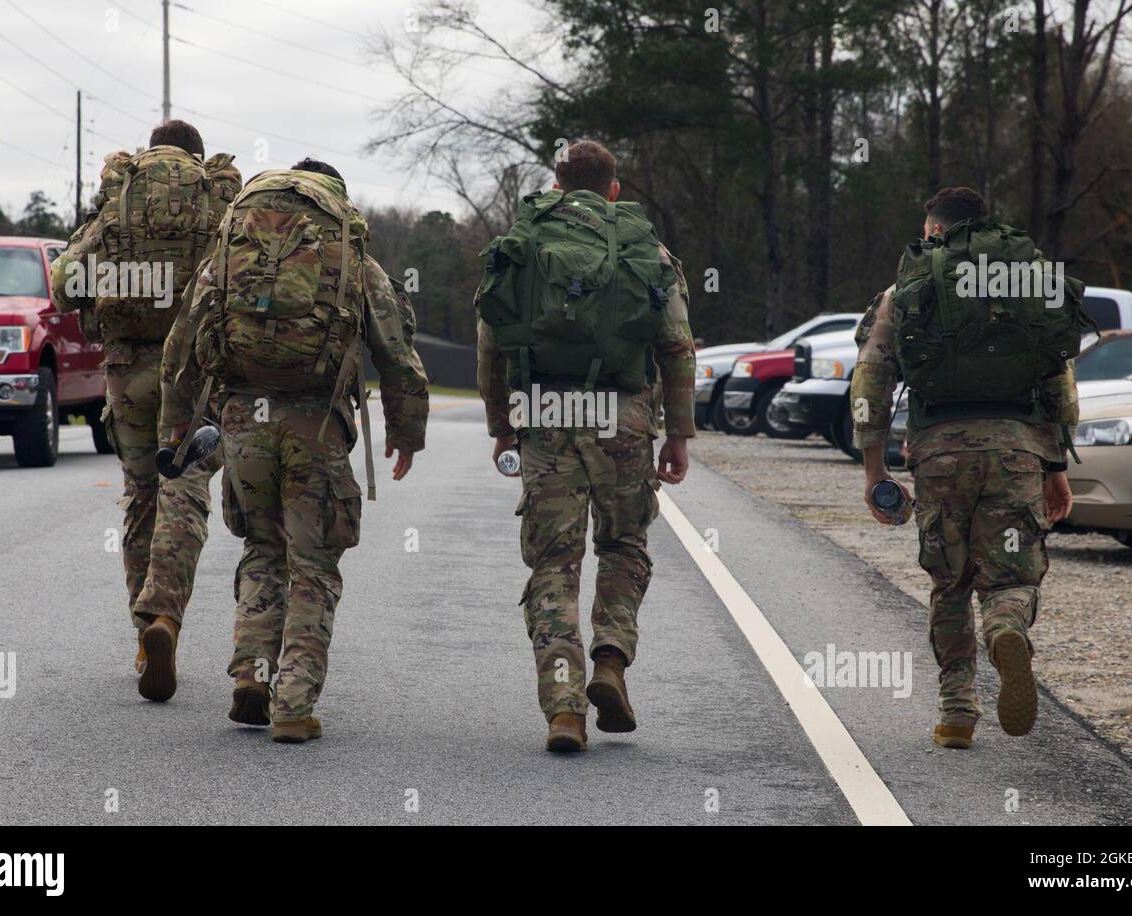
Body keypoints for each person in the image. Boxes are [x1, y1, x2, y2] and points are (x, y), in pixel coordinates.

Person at [161, 157, 429, 743]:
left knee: (262, 548)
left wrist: (176, 426)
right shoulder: (351, 257)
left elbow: (181, 345)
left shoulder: (233, 250)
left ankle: (251, 678)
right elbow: (398, 359)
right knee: (312, 563)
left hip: (241, 421)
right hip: (315, 423)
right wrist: (406, 433)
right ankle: (294, 703)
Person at [475, 140, 696, 752]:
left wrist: (502, 425)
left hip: (544, 415)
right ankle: (610, 660)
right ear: (614, 188)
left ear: (556, 183)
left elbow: (492, 343)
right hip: (621, 417)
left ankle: (564, 708)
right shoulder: (646, 249)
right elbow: (677, 348)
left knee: (554, 564)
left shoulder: (524, 245)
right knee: (624, 544)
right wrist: (677, 434)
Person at [851, 186, 1081, 750]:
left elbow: (871, 382)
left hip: (940, 451)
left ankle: (957, 709)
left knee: (949, 581)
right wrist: (1056, 467)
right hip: (1017, 450)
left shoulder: (904, 289)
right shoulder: (1027, 287)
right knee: (1011, 572)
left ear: (933, 230)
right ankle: (1005, 629)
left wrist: (874, 470)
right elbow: (1060, 385)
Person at [50, 120, 241, 702]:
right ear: (197, 156)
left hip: (129, 372)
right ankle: (167, 615)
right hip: (196, 374)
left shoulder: (120, 200)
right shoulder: (217, 200)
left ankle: (145, 639)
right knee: (183, 489)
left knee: (141, 496)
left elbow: (65, 288)